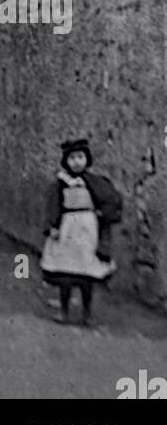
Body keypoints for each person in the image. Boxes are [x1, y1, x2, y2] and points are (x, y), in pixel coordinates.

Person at [40, 138, 122, 327]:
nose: (76, 161)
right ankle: (64, 311)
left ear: (87, 160)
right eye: (72, 158)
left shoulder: (95, 183)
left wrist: (102, 214)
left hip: (88, 229)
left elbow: (111, 200)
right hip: (67, 229)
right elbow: (53, 206)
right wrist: (52, 226)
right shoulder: (61, 183)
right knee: (65, 273)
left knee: (86, 274)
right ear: (65, 161)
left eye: (80, 157)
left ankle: (87, 313)